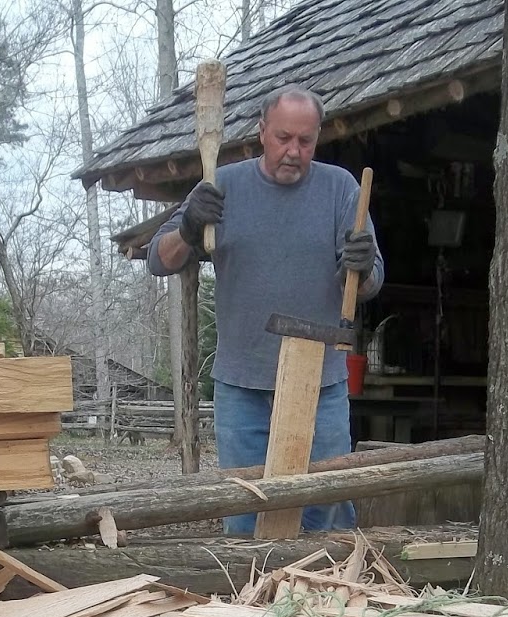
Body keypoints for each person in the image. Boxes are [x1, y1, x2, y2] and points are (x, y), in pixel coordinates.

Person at [148, 84, 384, 535]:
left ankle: (327, 600)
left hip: (320, 381)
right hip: (242, 384)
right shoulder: (222, 185)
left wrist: (361, 265)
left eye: (305, 141)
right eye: (283, 138)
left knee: (327, 510)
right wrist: (191, 228)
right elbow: (162, 259)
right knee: (244, 512)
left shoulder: (340, 189)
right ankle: (255, 603)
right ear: (261, 132)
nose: (294, 151)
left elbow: (371, 281)